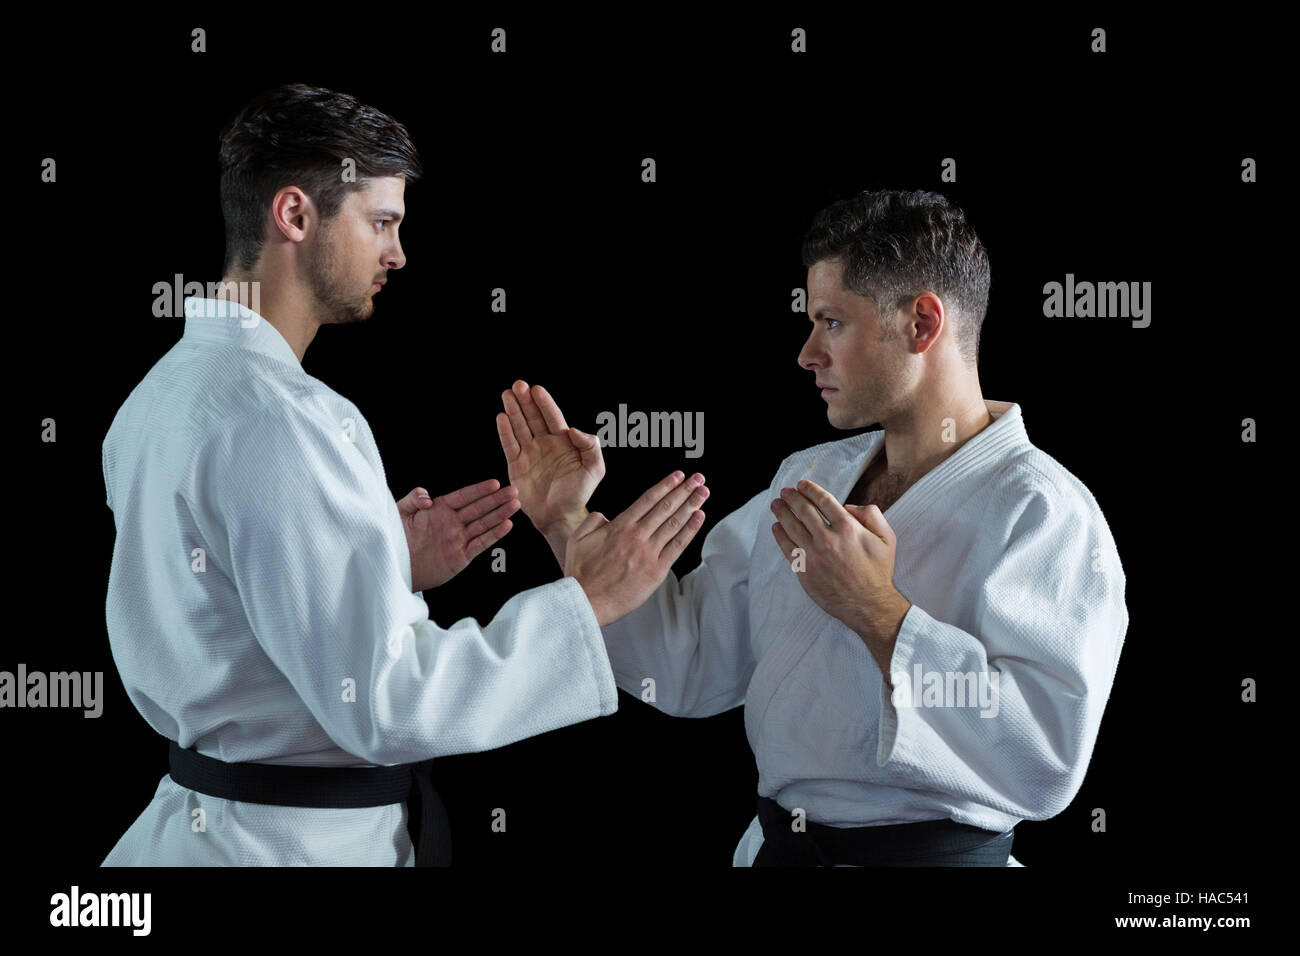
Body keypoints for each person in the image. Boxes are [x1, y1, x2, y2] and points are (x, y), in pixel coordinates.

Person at [100, 83, 708, 866]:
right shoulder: (288, 418)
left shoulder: (158, 396)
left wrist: (385, 568)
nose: (398, 254)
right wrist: (588, 602)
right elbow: (387, 705)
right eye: (381, 222)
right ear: (294, 215)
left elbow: (224, 614)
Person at [497, 189, 1129, 866]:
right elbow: (687, 665)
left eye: (832, 322)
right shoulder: (811, 477)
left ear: (922, 324)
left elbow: (1047, 761)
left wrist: (881, 615)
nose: (807, 353)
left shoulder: (1043, 512)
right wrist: (568, 524)